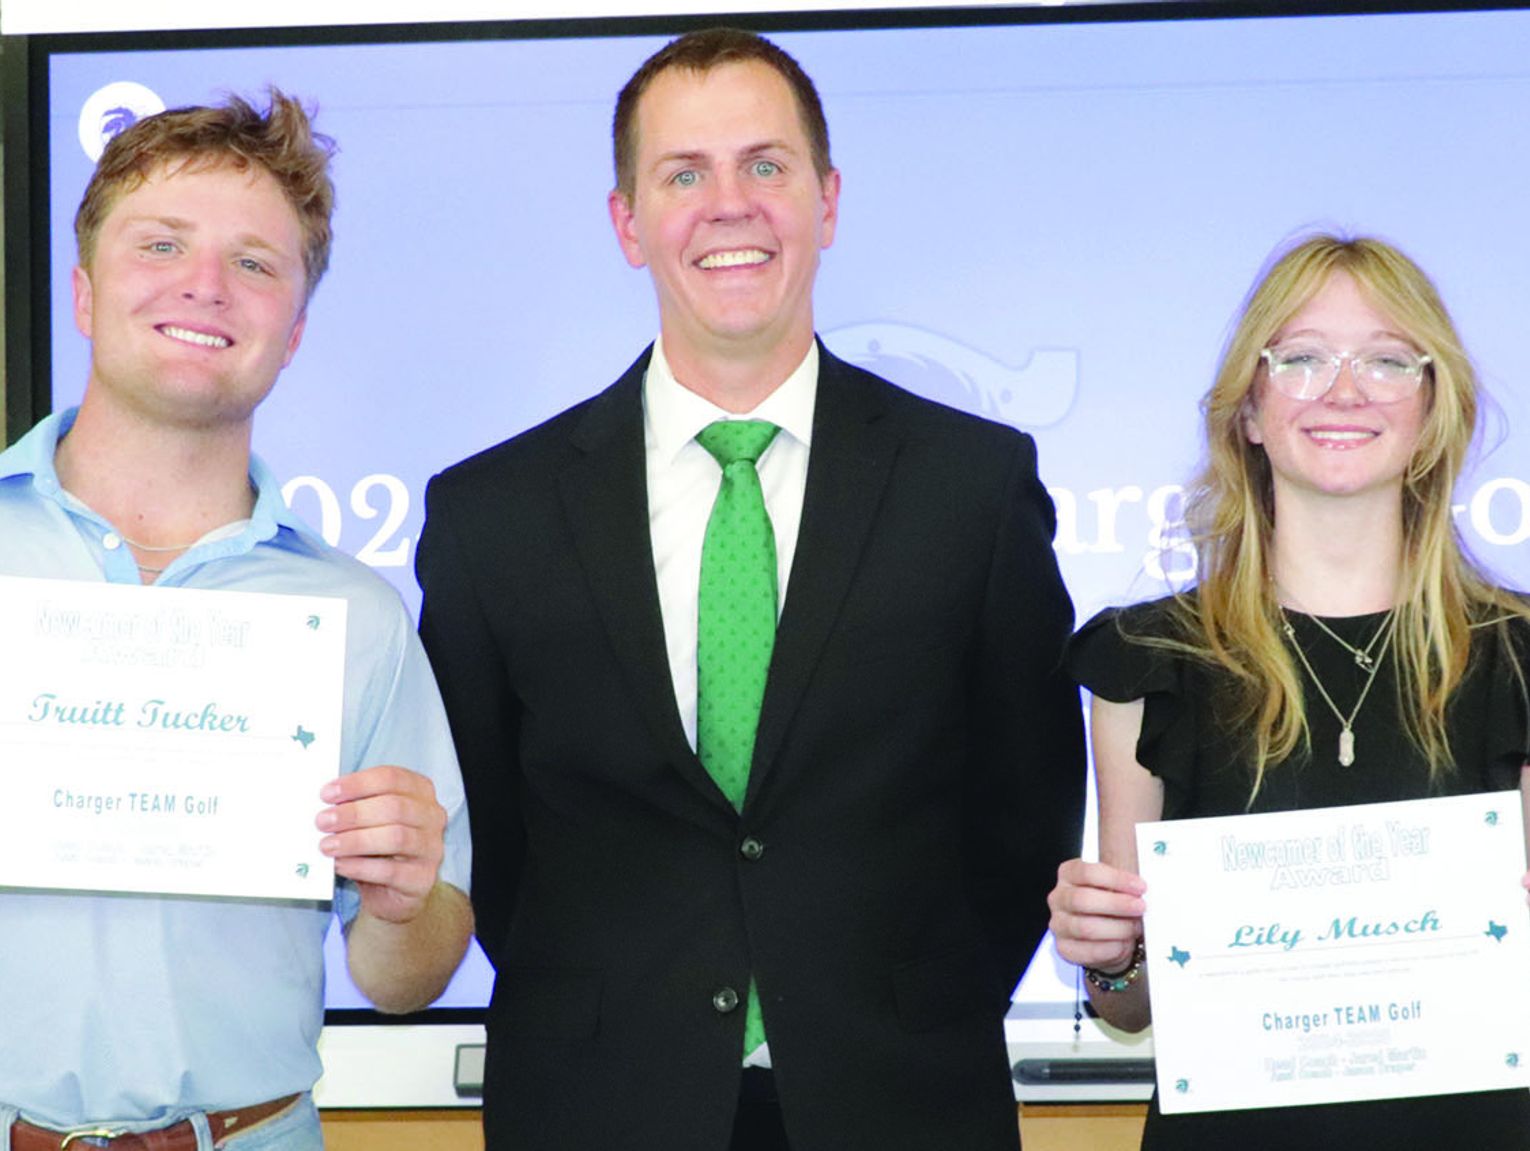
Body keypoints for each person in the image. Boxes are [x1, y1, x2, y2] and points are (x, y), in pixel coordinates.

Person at [415, 27, 1084, 1151]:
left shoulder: (973, 485)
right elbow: (492, 845)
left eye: (766, 166)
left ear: (827, 199)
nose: (731, 205)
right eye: (685, 174)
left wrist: (905, 1006)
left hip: (903, 1104)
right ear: (628, 222)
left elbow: (1023, 819)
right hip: (597, 1109)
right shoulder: (493, 514)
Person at [0, 92, 472, 1150]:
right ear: (82, 291)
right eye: (160, 242)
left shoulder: (355, 618)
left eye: (256, 262)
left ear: (294, 330)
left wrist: (404, 902)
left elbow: (409, 975)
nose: (204, 283)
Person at [1047, 234, 1530, 1149]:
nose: (1344, 389)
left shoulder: (1518, 657)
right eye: (1301, 358)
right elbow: (1127, 1008)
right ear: (1251, 411)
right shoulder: (1148, 662)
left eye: (1388, 359)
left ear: (1432, 410)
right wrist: (1108, 957)